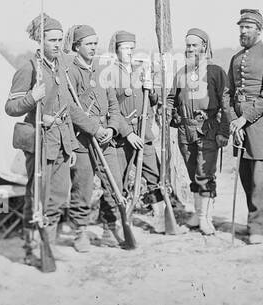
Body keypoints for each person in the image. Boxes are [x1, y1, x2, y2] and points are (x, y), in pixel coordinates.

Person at [5, 15, 92, 268]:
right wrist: (32, 97)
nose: (56, 44)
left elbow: (68, 108)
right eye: (51, 39)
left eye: (59, 39)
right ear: (40, 41)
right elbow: (10, 107)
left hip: (62, 144)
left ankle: (48, 246)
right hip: (40, 143)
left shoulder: (62, 69)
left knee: (56, 198)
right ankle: (31, 247)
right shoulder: (29, 69)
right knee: (37, 197)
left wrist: (72, 144)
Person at [61, 24, 125, 251]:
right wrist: (93, 129)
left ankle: (109, 228)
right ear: (77, 46)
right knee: (82, 187)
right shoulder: (70, 72)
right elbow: (70, 107)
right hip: (82, 139)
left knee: (114, 184)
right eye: (88, 43)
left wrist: (112, 128)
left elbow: (114, 104)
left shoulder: (102, 70)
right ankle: (80, 232)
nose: (93, 47)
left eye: (95, 43)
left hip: (106, 137)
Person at [169, 28, 233, 235]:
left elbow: (226, 103)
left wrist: (224, 131)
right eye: (187, 45)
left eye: (194, 45)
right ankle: (197, 214)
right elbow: (171, 99)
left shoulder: (216, 72)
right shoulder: (181, 73)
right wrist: (169, 113)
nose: (190, 49)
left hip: (208, 129)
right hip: (185, 130)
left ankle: (206, 218)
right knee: (192, 174)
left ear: (204, 46)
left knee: (205, 174)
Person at [227, 9, 263, 245]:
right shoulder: (236, 58)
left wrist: (244, 117)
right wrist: (233, 120)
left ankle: (256, 227)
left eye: (248, 27)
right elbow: (227, 93)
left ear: (259, 29)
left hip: (261, 126)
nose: (243, 31)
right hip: (239, 127)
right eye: (241, 27)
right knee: (246, 178)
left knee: (259, 180)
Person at [107, 31, 172, 231]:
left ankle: (161, 217)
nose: (129, 51)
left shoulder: (141, 70)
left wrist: (150, 89)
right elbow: (111, 110)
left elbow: (152, 102)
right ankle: (116, 222)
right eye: (125, 47)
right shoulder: (109, 73)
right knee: (119, 180)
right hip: (123, 136)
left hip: (144, 134)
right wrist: (128, 133)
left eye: (131, 47)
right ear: (116, 50)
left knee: (154, 175)